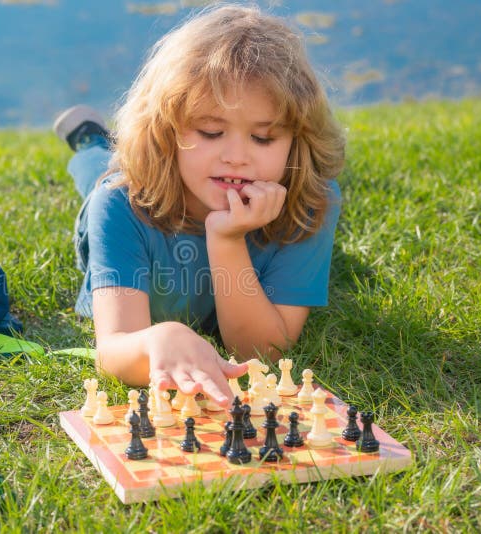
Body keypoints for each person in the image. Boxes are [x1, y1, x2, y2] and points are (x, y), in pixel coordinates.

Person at [53, 4, 345, 408]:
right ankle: (89, 139)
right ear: (165, 130)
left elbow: (260, 352)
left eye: (263, 138)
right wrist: (159, 338)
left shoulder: (311, 203)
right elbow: (113, 350)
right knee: (102, 172)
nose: (236, 157)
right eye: (210, 132)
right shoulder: (120, 206)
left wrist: (228, 240)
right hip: (138, 188)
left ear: (298, 141)